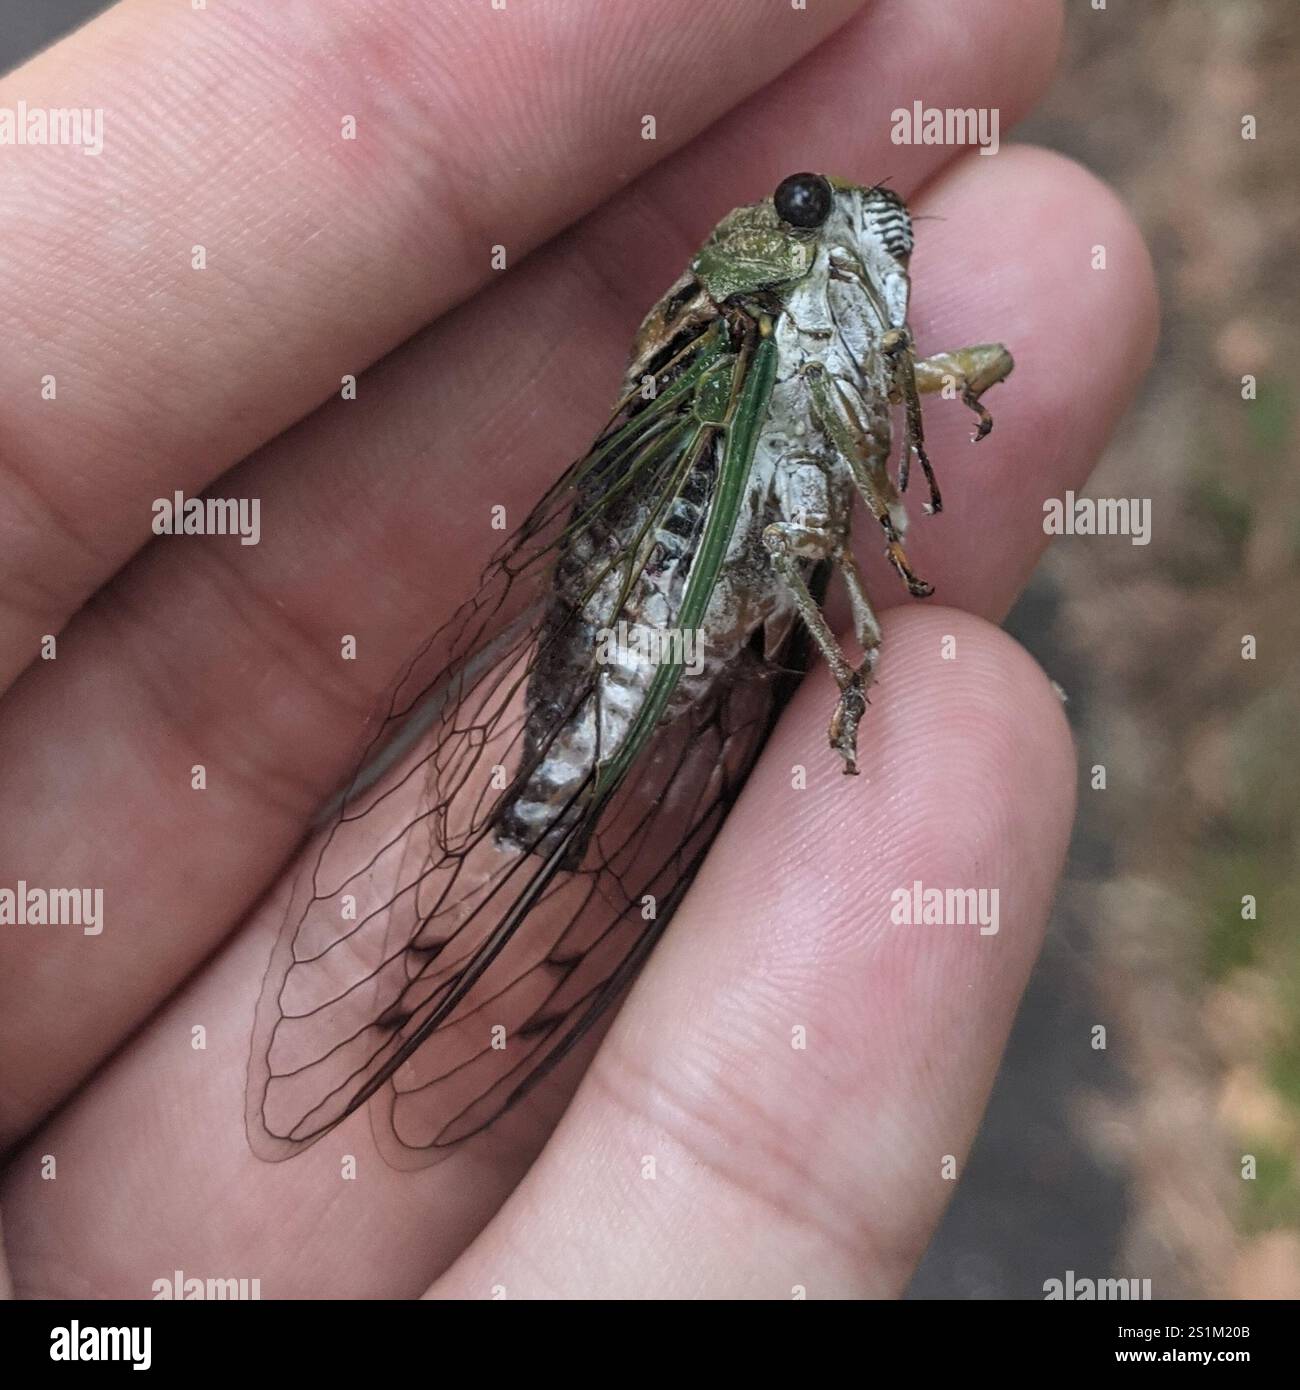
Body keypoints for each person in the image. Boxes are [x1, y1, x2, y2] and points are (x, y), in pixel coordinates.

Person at [0, 0, 1154, 1298]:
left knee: (793, 616)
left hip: (731, 585)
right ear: (776, 258)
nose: (872, 243)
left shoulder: (850, 338)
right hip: (660, 562)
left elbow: (859, 446)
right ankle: (542, 805)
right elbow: (817, 468)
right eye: (820, 214)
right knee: (744, 598)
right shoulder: (744, 330)